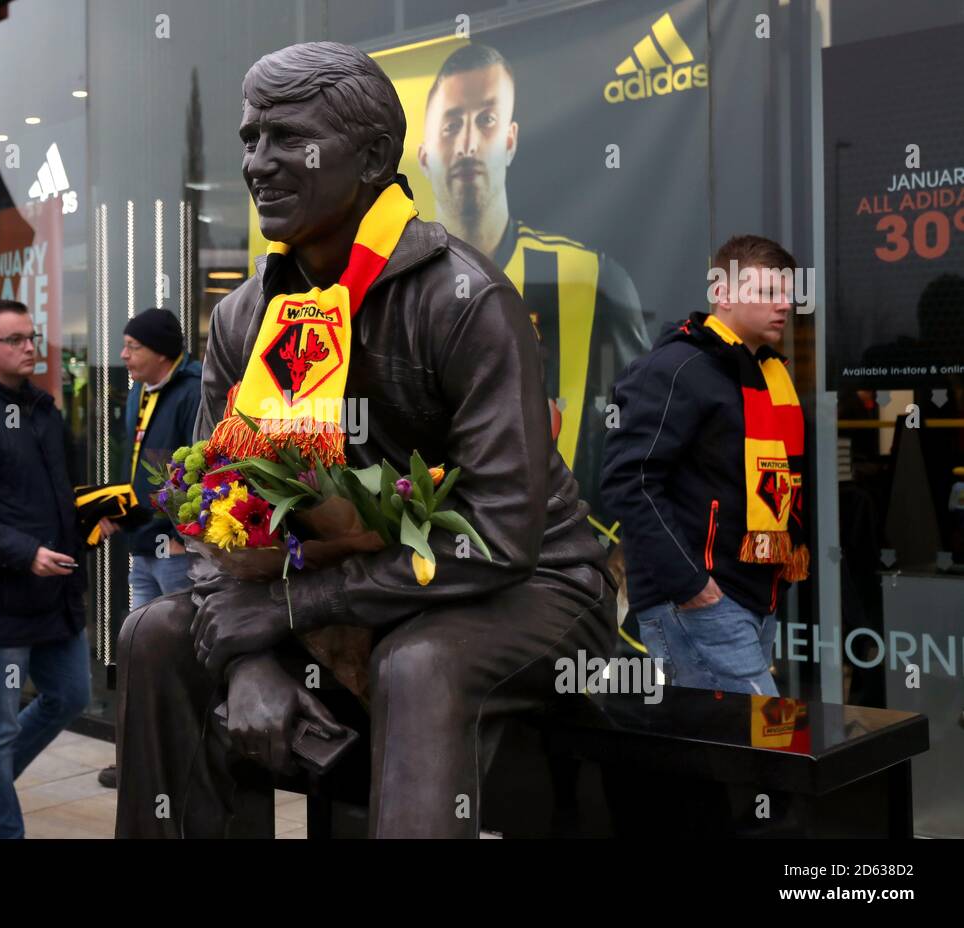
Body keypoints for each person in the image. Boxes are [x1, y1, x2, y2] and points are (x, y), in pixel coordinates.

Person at [113, 41, 614, 838]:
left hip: (531, 589)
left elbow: (500, 537)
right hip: (344, 590)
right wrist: (246, 659)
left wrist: (288, 607)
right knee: (155, 634)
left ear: (376, 154)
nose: (259, 164)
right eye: (250, 139)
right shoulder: (243, 317)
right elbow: (211, 512)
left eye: (289, 139)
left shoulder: (466, 299)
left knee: (420, 664)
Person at [417, 43, 649, 541]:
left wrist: (621, 549)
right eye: (451, 123)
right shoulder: (397, 287)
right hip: (432, 562)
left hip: (560, 564)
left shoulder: (591, 278)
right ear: (424, 152)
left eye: (487, 120)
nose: (468, 143)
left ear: (511, 139)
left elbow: (647, 427)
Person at [601, 235, 811, 696]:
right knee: (755, 748)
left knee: (725, 751)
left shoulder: (769, 375)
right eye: (767, 292)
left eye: (788, 295)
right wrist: (693, 585)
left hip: (755, 597)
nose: (784, 306)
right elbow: (628, 481)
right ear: (722, 293)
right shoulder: (676, 367)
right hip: (700, 601)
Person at [0, 299, 91, 838]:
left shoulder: (41, 407)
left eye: (32, 337)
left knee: (71, 695)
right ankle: (2, 828)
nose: (31, 347)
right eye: (16, 339)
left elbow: (54, 492)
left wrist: (90, 520)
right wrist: (23, 552)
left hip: (53, 594)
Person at [96, 308, 202, 790]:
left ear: (161, 350)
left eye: (132, 347)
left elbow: (200, 468)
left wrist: (186, 533)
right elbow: (135, 460)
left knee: (179, 657)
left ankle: (186, 760)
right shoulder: (140, 391)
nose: (123, 356)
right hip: (141, 545)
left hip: (176, 552)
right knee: (137, 653)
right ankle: (137, 759)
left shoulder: (193, 391)